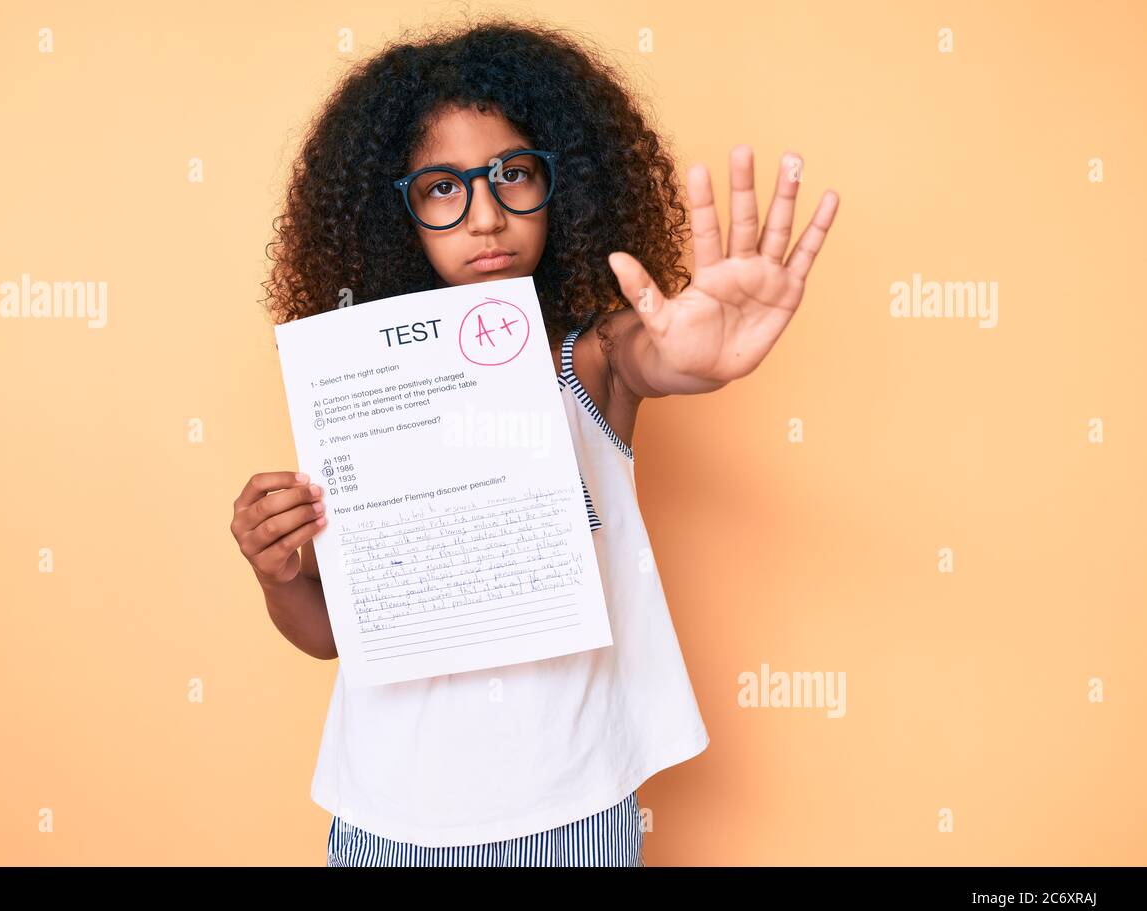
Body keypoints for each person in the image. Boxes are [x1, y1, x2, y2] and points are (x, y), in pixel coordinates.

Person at [231, 18, 838, 866]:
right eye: (443, 188)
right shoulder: (362, 386)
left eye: (513, 174)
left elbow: (649, 353)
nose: (485, 215)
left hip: (575, 806)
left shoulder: (589, 361)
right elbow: (331, 633)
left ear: (565, 185)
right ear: (394, 214)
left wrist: (697, 354)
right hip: (387, 813)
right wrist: (275, 567)